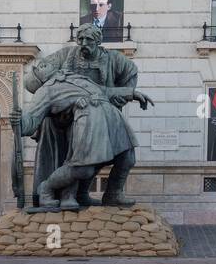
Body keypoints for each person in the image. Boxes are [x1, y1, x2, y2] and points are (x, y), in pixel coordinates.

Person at [16, 24, 150, 209]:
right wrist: (19, 122)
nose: (83, 43)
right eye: (81, 39)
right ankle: (58, 192)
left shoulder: (73, 77)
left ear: (98, 41)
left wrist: (129, 93)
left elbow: (106, 90)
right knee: (83, 165)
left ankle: (111, 194)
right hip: (81, 120)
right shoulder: (48, 88)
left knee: (127, 158)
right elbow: (32, 118)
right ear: (42, 78)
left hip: (108, 116)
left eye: (88, 40)